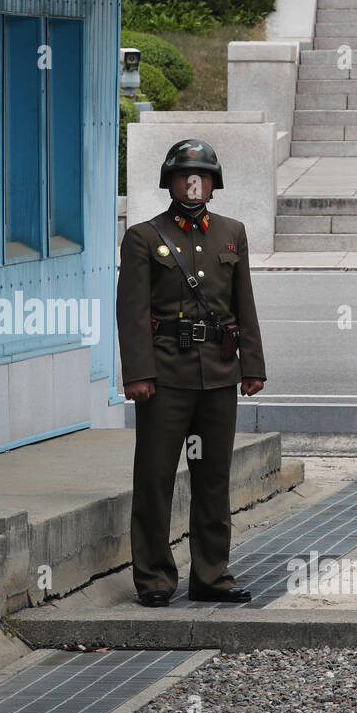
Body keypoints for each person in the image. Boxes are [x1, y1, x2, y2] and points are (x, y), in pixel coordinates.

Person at [116, 138, 266, 607]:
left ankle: (211, 575)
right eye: (185, 175)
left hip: (219, 374)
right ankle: (156, 579)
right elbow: (132, 311)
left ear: (214, 184)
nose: (193, 182)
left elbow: (245, 304)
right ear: (170, 182)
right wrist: (138, 373)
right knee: (156, 480)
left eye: (201, 175)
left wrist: (252, 365)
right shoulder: (144, 236)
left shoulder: (232, 232)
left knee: (214, 478)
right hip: (165, 377)